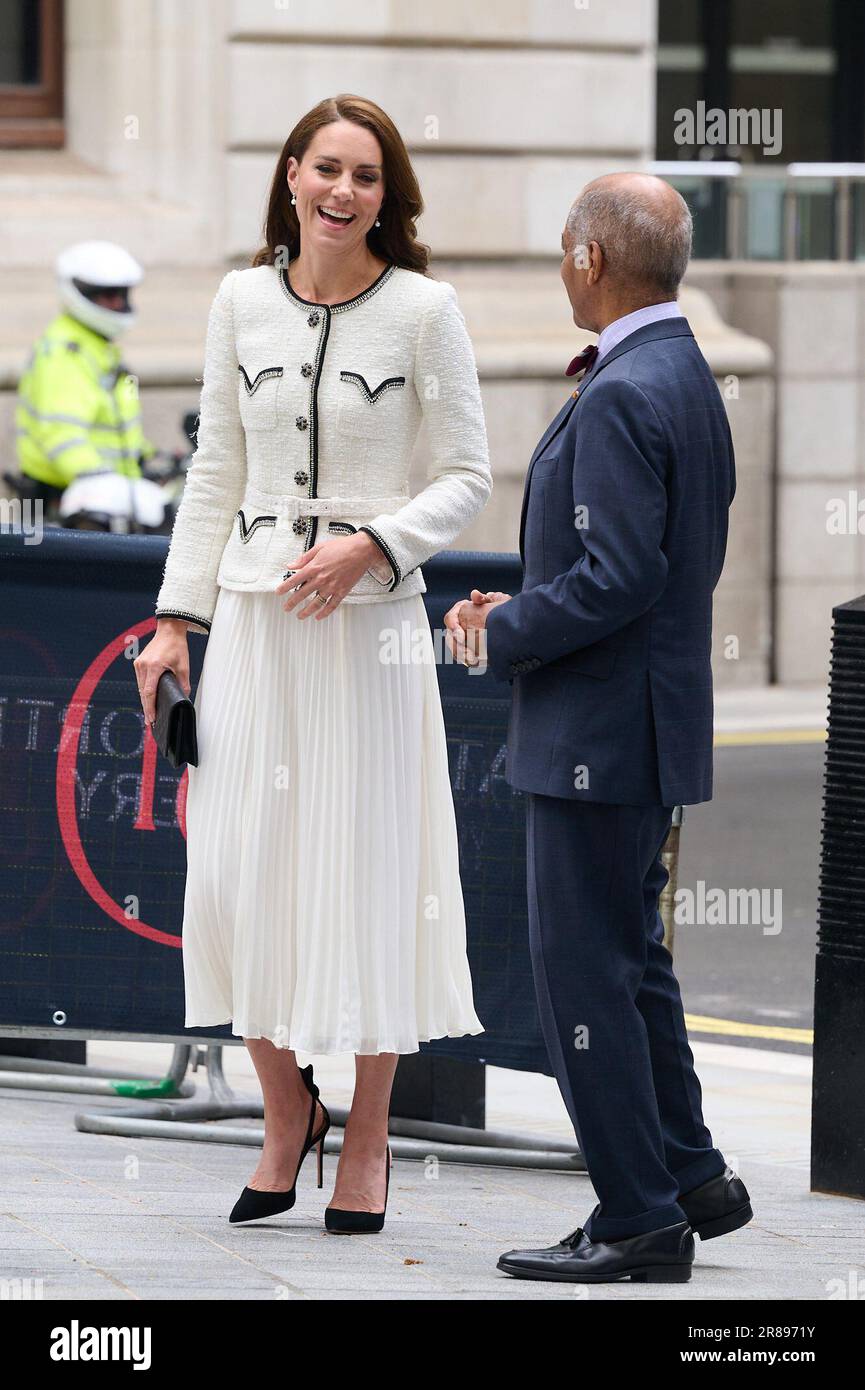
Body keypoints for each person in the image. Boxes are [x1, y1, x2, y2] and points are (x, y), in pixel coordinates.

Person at [134, 94, 491, 1234]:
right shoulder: (239, 300)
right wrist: (173, 620)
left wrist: (371, 543)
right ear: (290, 176)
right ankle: (287, 1107)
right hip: (251, 624)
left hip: (371, 633)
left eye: (367, 177)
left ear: (389, 197)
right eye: (326, 168)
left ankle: (368, 1134)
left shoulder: (427, 312)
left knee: (375, 874)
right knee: (234, 875)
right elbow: (213, 473)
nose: (344, 192)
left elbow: (470, 475)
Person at [445, 173, 749, 1284]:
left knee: (584, 978)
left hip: (596, 735)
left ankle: (636, 1219)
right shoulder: (681, 373)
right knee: (633, 965)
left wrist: (508, 626)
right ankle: (690, 1175)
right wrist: (523, 605)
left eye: (563, 249)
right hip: (639, 726)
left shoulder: (626, 388)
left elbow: (620, 575)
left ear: (589, 260)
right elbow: (652, 569)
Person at [15, 240, 155, 513]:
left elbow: (115, 427)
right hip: (65, 504)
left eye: (122, 294)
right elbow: (62, 434)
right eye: (107, 295)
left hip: (105, 498)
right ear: (81, 294)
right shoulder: (65, 353)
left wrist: (147, 458)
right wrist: (99, 479)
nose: (117, 304)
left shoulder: (98, 347)